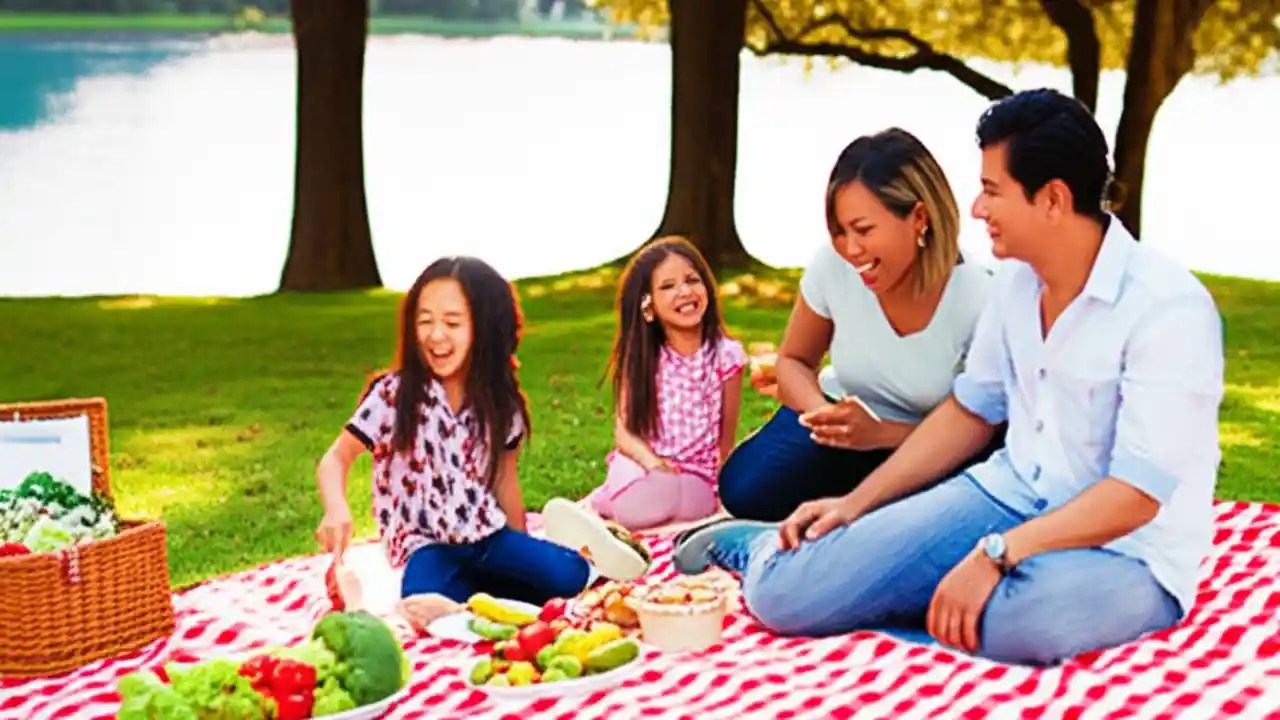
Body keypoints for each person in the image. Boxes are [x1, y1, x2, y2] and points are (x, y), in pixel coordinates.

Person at [672, 89, 1225, 667]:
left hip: (1129, 551)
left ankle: (916, 594)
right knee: (783, 594)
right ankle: (757, 546)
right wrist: (855, 506)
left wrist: (997, 554)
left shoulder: (1168, 309)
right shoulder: (1016, 286)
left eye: (992, 191)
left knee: (1016, 624)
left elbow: (1135, 497)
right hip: (1006, 497)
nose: (977, 209)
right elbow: (970, 411)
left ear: (1054, 200)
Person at [313, 256, 647, 605]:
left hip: (488, 536)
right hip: (427, 545)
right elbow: (336, 458)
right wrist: (336, 509)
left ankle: (586, 553)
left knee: (564, 580)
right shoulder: (395, 395)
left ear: (487, 328)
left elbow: (505, 480)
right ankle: (504, 584)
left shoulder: (499, 402)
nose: (435, 335)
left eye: (452, 323)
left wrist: (525, 551)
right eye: (424, 321)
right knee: (424, 602)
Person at [718, 128, 1000, 521]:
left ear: (919, 217)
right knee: (744, 488)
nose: (850, 250)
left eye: (864, 230)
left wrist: (881, 434)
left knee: (951, 505)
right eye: (839, 231)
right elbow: (794, 361)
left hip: (925, 445)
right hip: (840, 423)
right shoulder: (833, 267)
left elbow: (986, 432)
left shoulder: (978, 295)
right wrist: (825, 418)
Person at [581, 236, 748, 531]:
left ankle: (622, 513)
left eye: (692, 280)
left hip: (697, 475)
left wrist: (722, 489)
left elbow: (726, 438)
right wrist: (653, 463)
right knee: (645, 501)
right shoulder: (645, 358)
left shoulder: (727, 356)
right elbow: (625, 432)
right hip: (645, 465)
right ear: (649, 304)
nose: (685, 292)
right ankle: (604, 506)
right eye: (668, 286)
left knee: (689, 505)